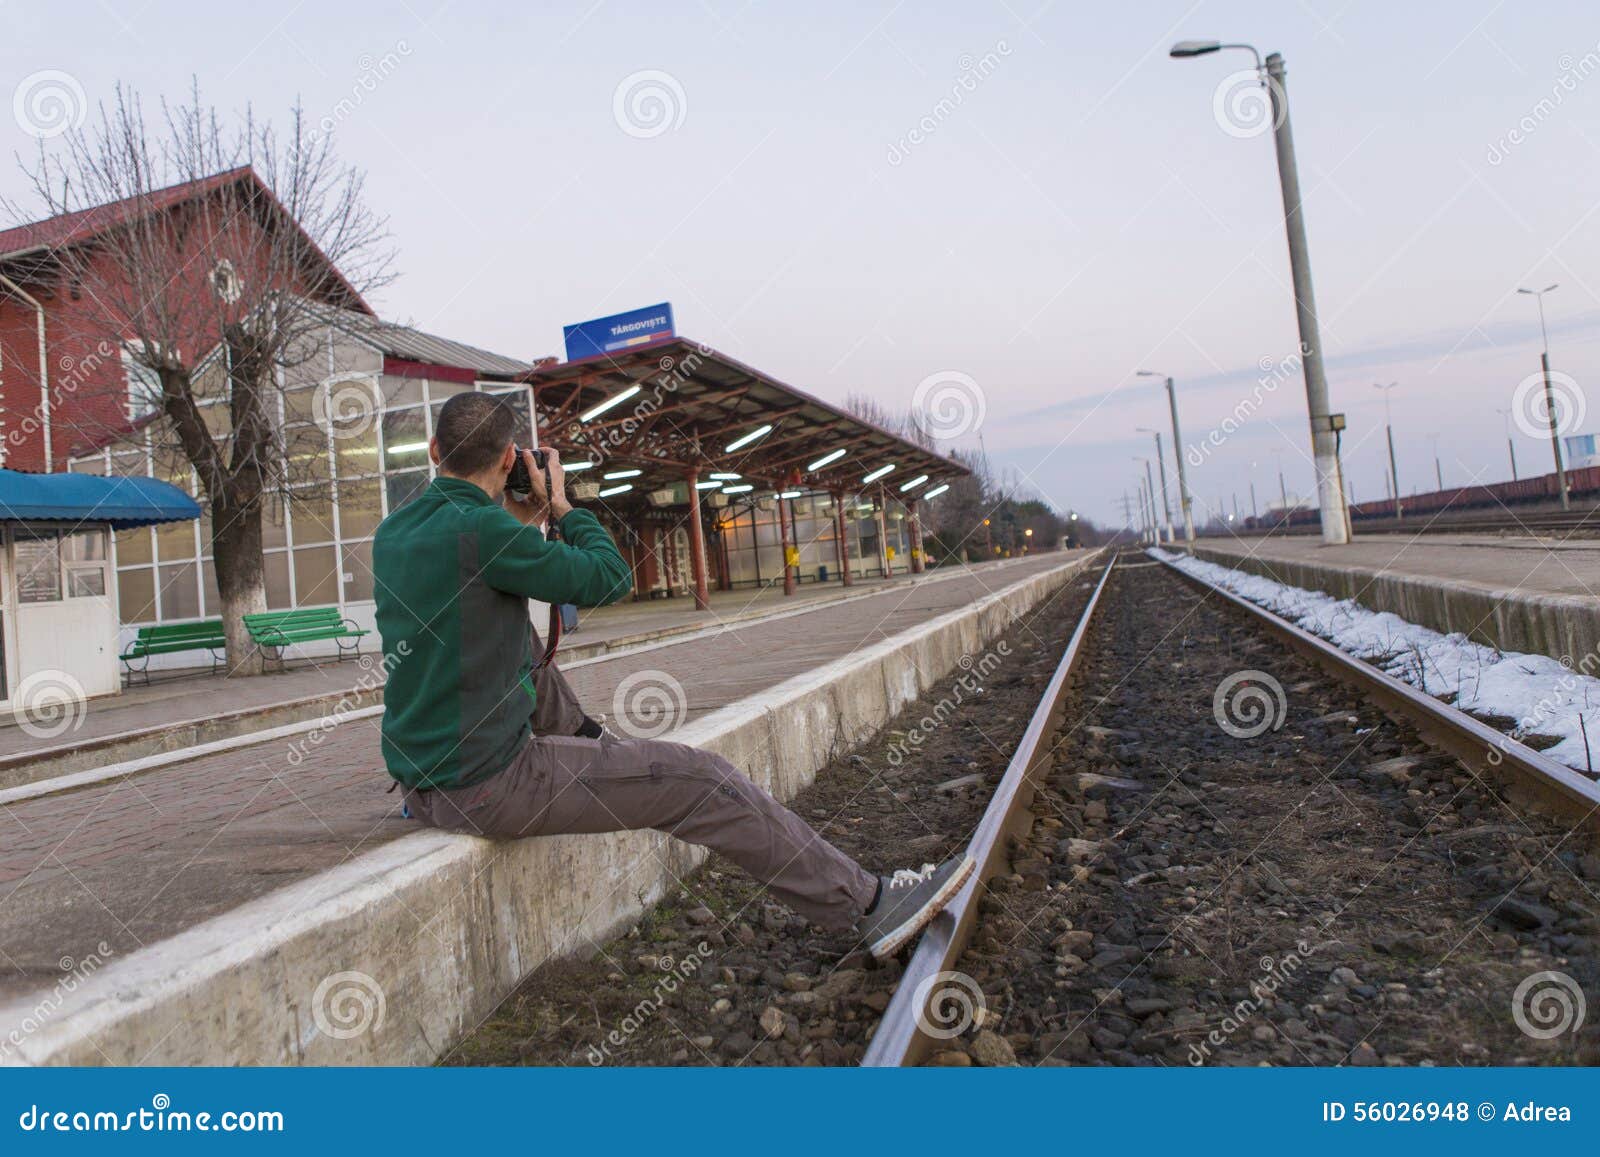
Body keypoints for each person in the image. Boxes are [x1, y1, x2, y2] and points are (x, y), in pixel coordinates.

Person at [372, 392, 973, 958]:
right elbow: (608, 576)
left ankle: (594, 748)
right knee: (700, 778)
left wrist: (513, 517)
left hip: (424, 784)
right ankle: (869, 906)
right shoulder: (487, 531)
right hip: (489, 785)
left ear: (432, 451)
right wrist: (560, 507)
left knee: (510, 635)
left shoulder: (395, 533)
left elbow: (476, 581)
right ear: (510, 459)